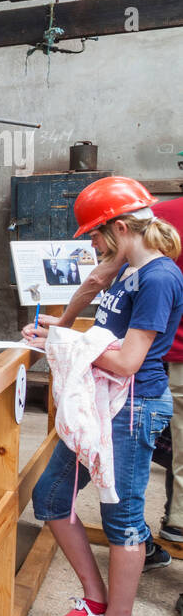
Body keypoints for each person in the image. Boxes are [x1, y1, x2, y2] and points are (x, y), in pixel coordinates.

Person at [22, 176, 183, 616]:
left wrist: (64, 341)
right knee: (50, 496)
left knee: (124, 518)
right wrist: (64, 324)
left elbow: (129, 360)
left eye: (94, 233)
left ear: (118, 227)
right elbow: (98, 296)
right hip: (104, 400)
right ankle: (96, 600)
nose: (91, 242)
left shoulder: (157, 277)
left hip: (132, 406)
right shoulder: (128, 263)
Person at [139, 194, 183, 545]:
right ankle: (176, 521)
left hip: (158, 348)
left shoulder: (161, 215)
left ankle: (175, 519)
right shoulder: (161, 217)